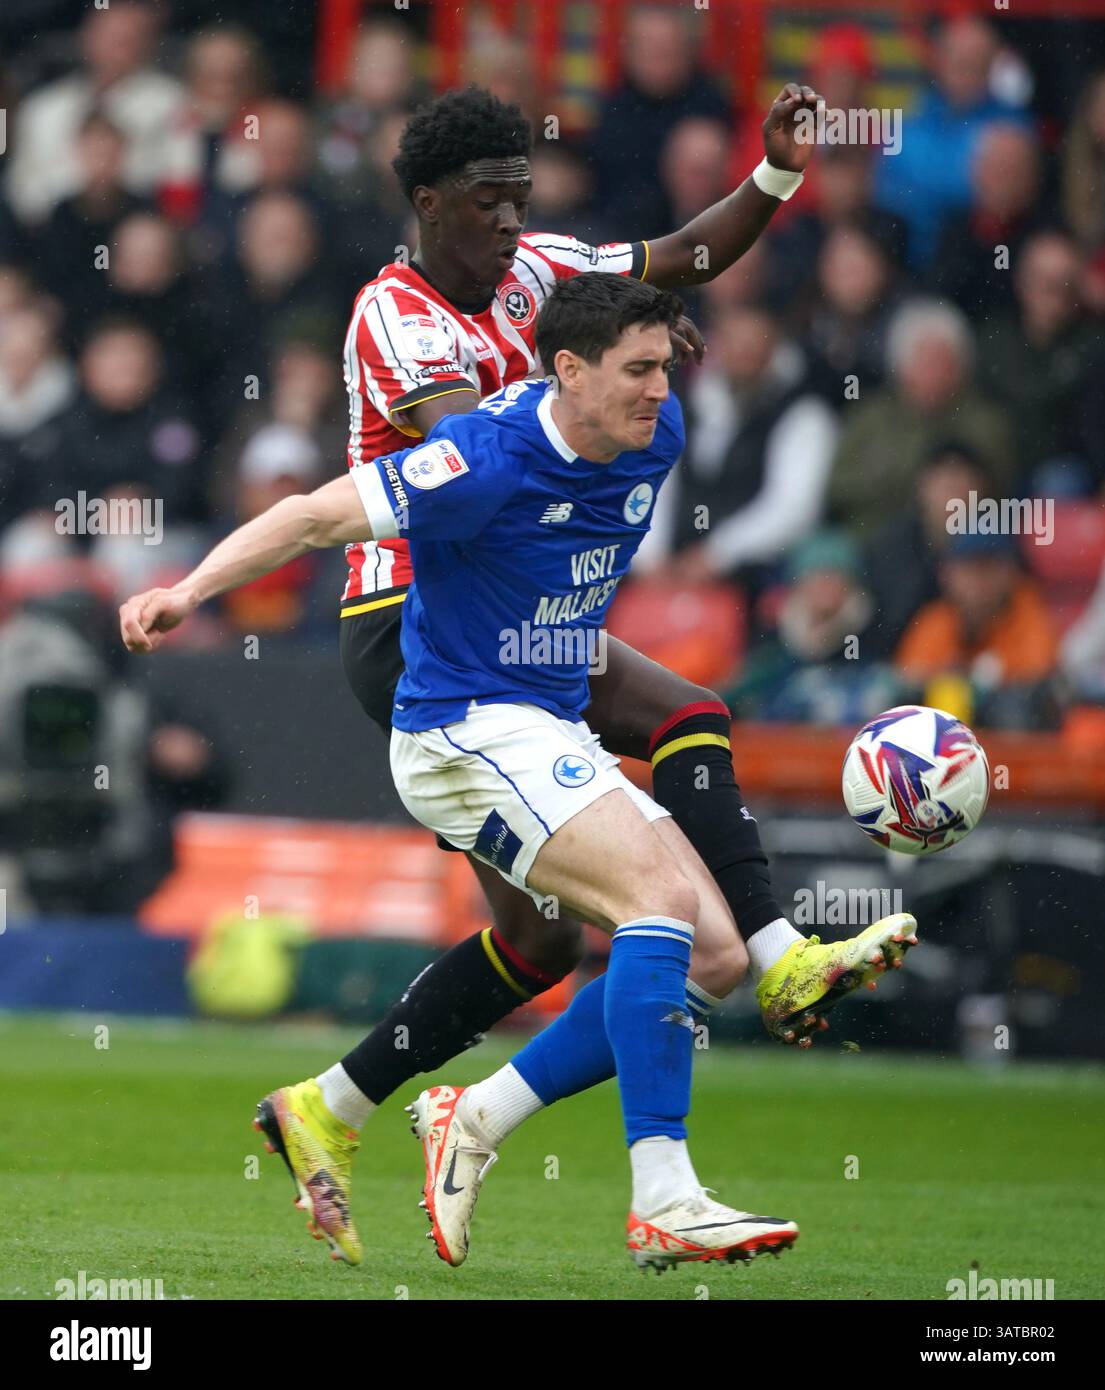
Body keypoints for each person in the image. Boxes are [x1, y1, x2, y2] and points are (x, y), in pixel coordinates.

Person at [119, 86, 919, 1265]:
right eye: (486, 203)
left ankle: (353, 1107)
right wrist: (194, 586)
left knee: (557, 934)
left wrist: (773, 180)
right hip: (415, 621)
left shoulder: (542, 273)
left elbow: (679, 259)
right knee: (648, 856)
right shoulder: (397, 324)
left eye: (520, 198)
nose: (508, 222)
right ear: (428, 203)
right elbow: (478, 468)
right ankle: (741, 1025)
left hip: (526, 623)